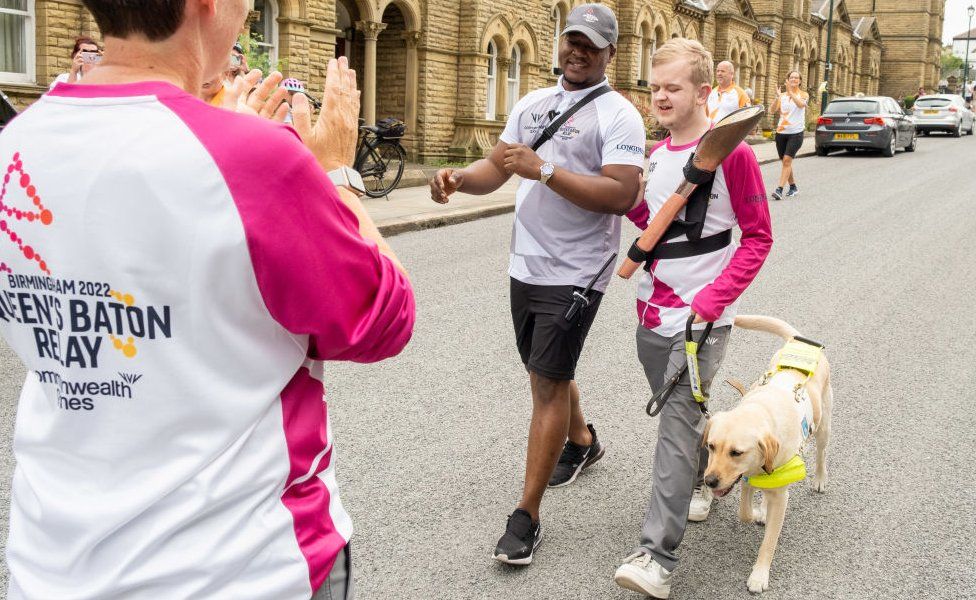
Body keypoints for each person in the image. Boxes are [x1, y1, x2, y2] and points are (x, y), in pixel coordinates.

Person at [1, 1, 415, 598]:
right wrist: (334, 175)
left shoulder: (16, 142)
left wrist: (229, 136)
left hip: (50, 564)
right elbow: (386, 318)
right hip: (240, 567)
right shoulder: (255, 159)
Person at [429, 2, 645, 566]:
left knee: (546, 384)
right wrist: (458, 180)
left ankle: (526, 518)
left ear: (609, 54)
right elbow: (496, 168)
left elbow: (623, 194)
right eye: (572, 40)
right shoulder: (532, 103)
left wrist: (545, 171)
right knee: (545, 369)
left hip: (579, 270)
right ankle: (583, 442)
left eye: (591, 45)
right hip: (526, 263)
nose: (577, 51)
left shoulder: (620, 115)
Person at [611, 38, 773, 599]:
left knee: (676, 431)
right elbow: (656, 223)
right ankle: (712, 474)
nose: (659, 95)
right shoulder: (658, 155)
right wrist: (627, 197)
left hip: (700, 323)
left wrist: (714, 299)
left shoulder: (736, 154)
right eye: (654, 86)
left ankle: (657, 556)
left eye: (672, 87)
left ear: (704, 92)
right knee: (687, 420)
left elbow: (758, 238)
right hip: (649, 312)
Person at [769, 70, 808, 200]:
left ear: (800, 81)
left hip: (796, 133)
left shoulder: (803, 94)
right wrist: (777, 97)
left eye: (796, 78)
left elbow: (801, 105)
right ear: (788, 79)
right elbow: (772, 110)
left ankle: (779, 189)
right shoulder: (783, 96)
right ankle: (793, 186)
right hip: (781, 133)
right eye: (791, 77)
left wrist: (791, 92)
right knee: (786, 162)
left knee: (787, 160)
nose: (794, 79)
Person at [706, 60, 749, 125]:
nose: (719, 73)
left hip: (730, 134)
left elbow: (747, 118)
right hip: (710, 132)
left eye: (723, 71)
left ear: (731, 74)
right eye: (718, 71)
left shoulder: (741, 94)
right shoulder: (712, 92)